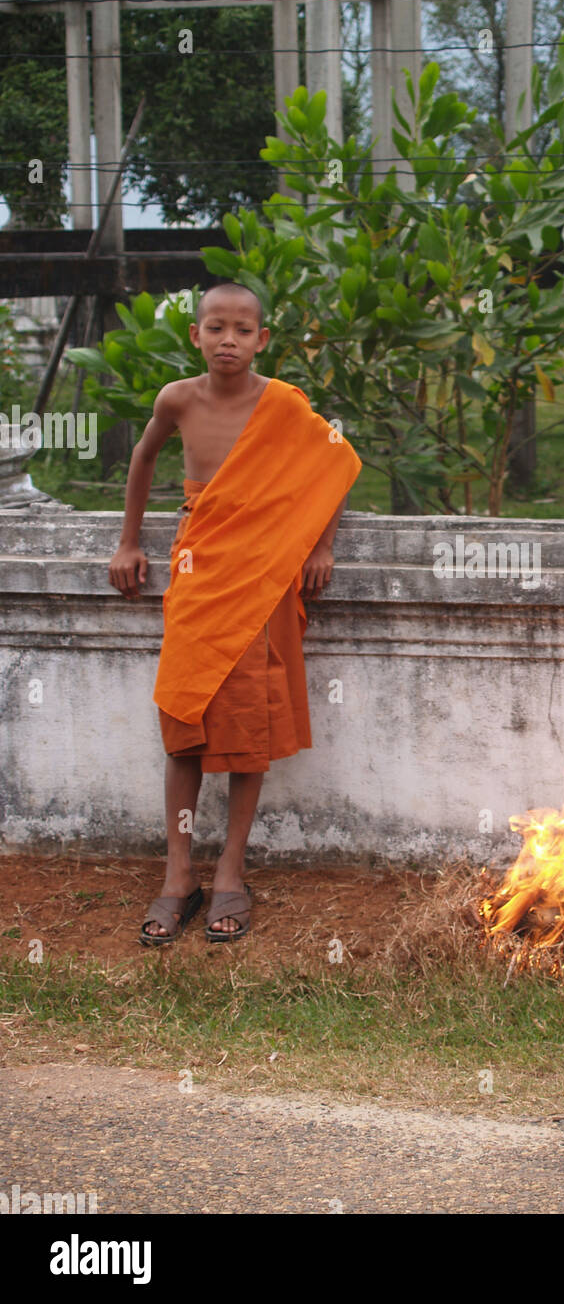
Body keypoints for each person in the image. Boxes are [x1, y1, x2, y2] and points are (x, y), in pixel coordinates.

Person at [108, 281, 362, 944]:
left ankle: (230, 870)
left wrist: (322, 546)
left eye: (242, 330)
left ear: (261, 340)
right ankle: (177, 873)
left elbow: (336, 464)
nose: (228, 340)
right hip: (199, 572)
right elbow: (142, 457)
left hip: (265, 573)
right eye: (215, 327)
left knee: (249, 722)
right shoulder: (178, 399)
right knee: (184, 716)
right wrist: (130, 540)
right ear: (195, 336)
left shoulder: (281, 404)